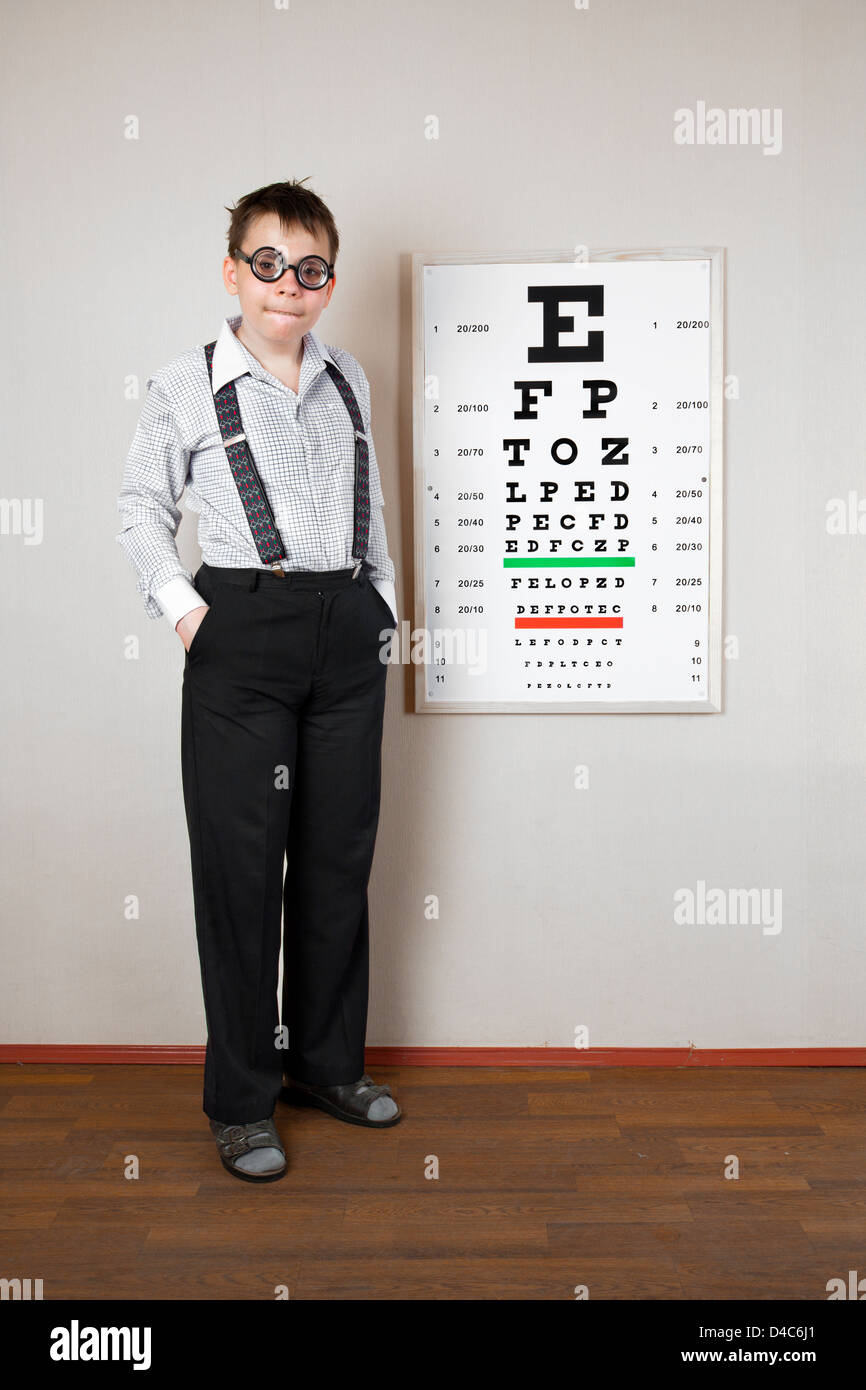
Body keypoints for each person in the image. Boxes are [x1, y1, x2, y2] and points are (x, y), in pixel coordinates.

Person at [116, 178, 402, 1184]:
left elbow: (371, 504)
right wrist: (189, 613)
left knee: (336, 860)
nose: (289, 284)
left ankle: (325, 1065)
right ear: (234, 271)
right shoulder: (184, 384)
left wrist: (384, 608)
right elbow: (138, 509)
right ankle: (241, 1102)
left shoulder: (349, 377)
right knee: (241, 876)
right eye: (268, 264)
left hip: (344, 634)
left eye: (310, 268)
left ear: (329, 281)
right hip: (241, 629)